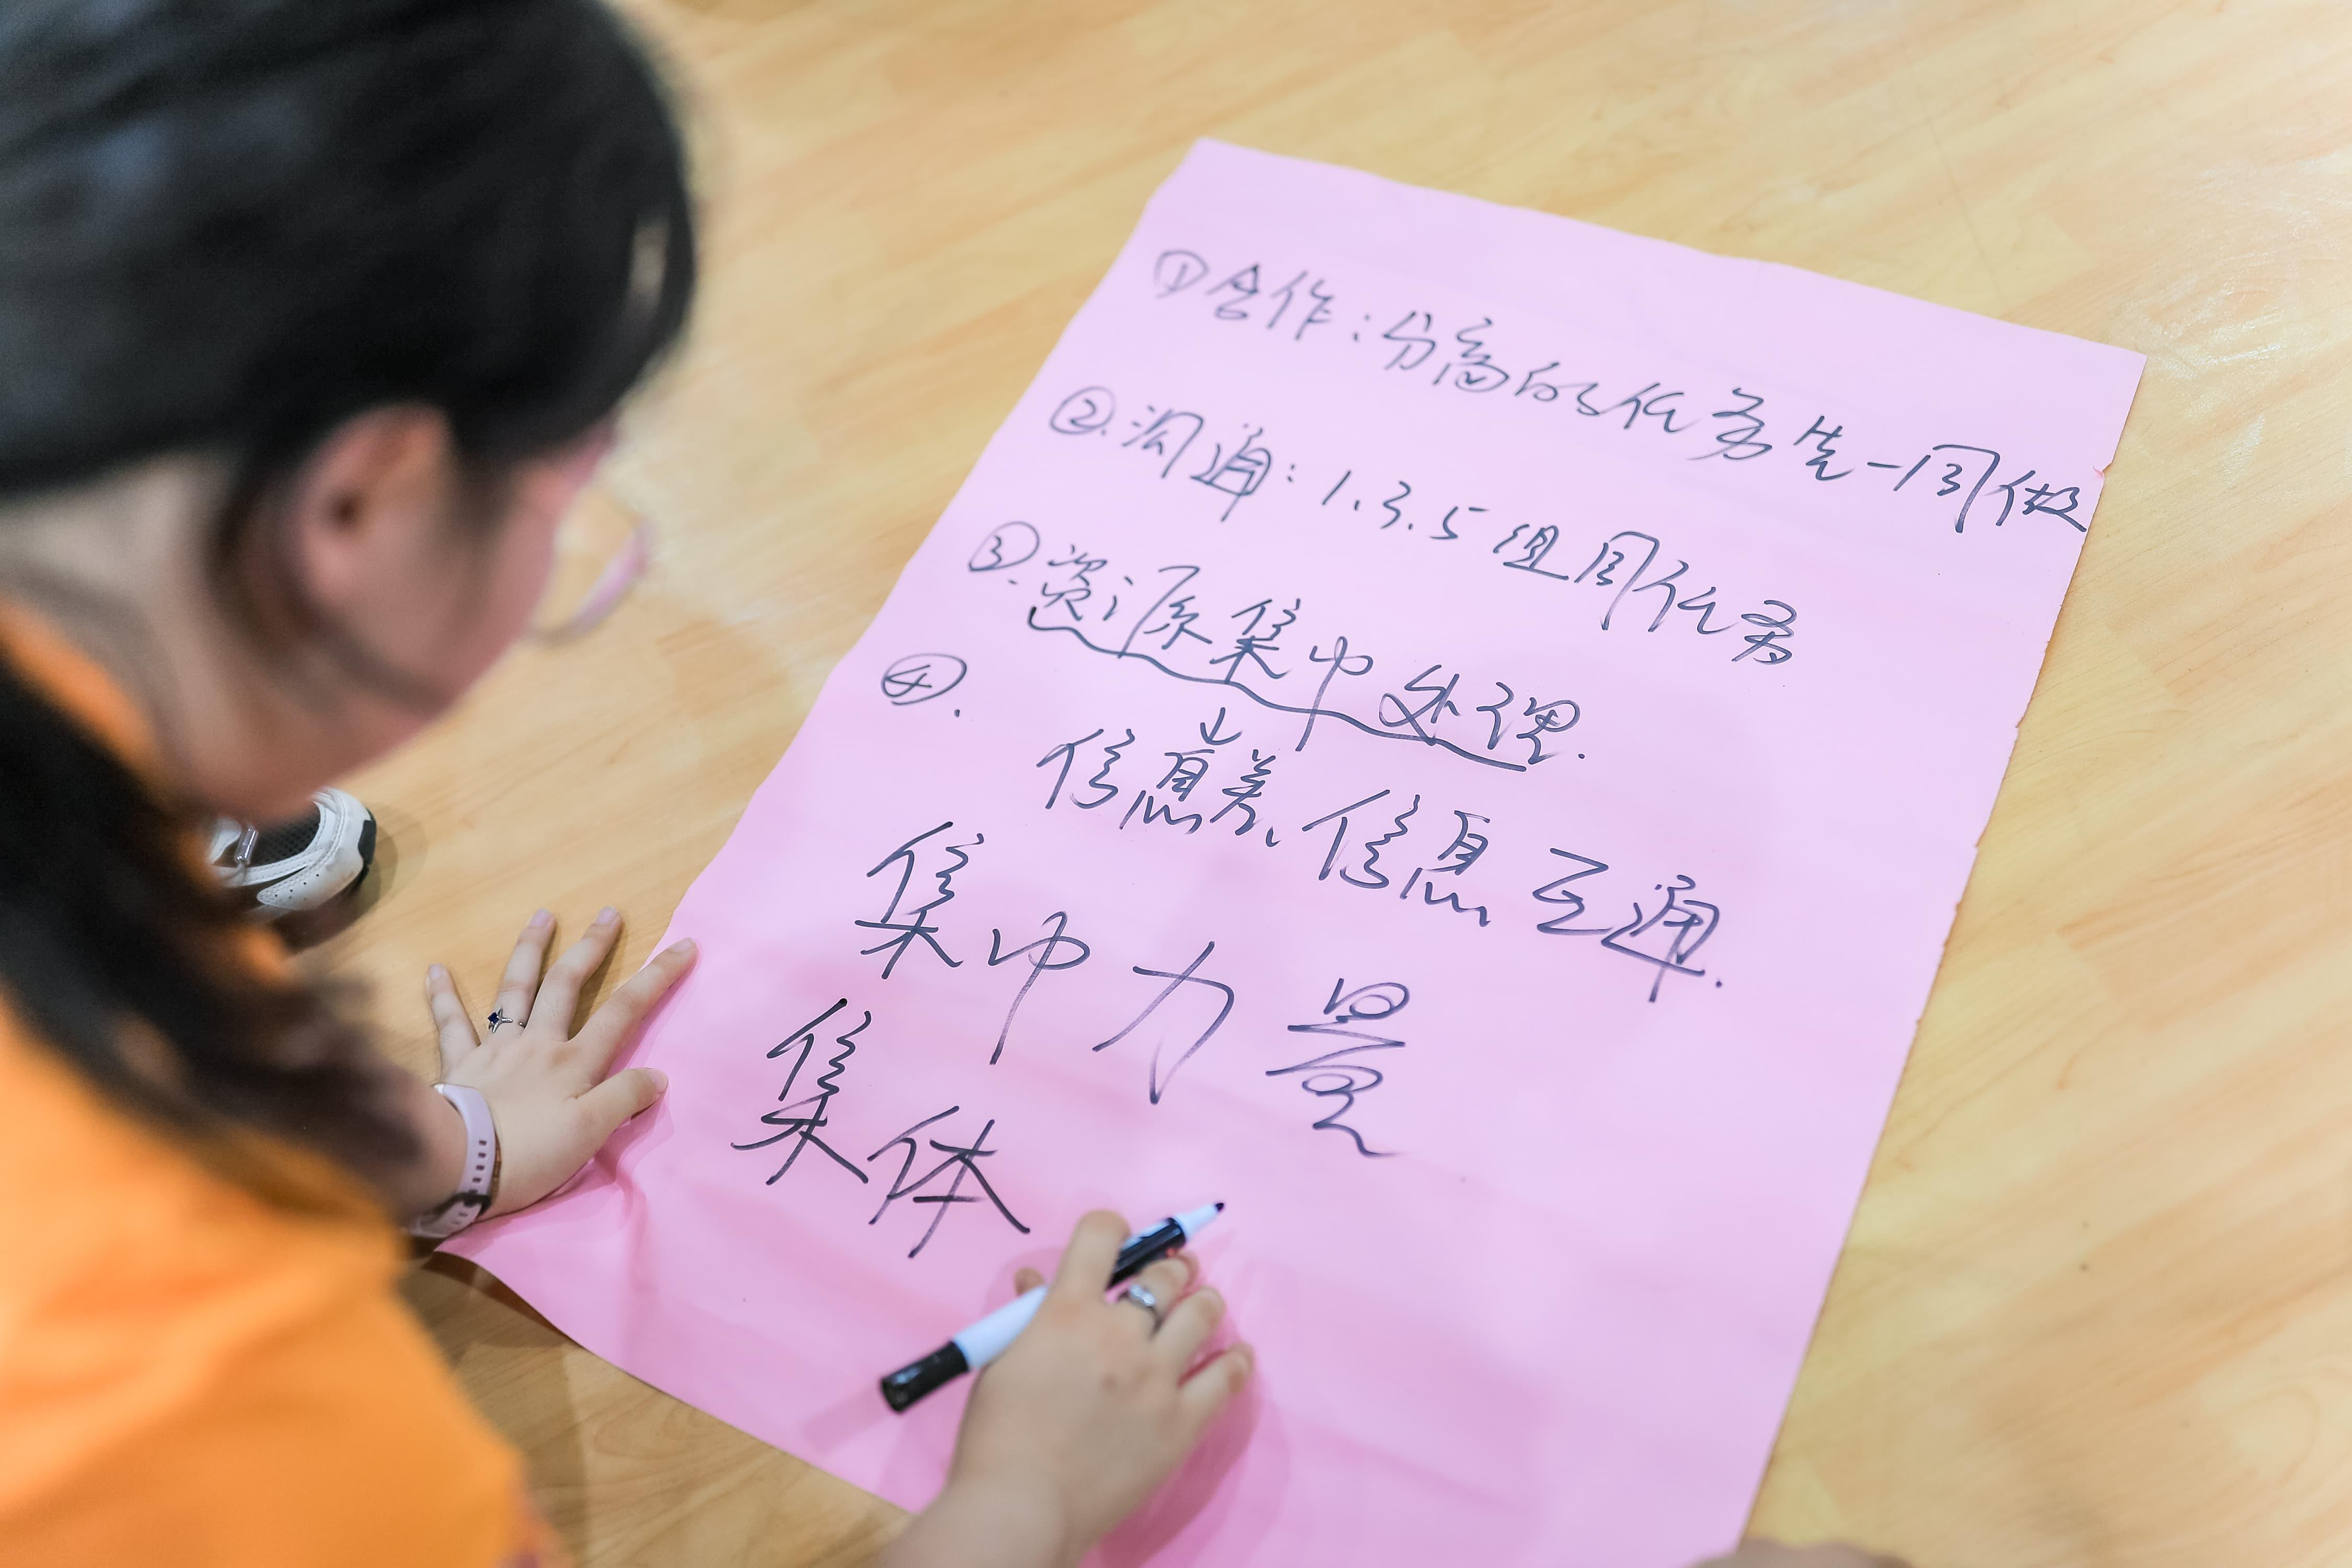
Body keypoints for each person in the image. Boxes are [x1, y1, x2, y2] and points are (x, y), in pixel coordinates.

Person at [0, 4, 1908, 1567]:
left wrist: (454, 1155)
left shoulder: (84, 800)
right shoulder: (180, 1402)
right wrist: (1018, 1509)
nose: (576, 570)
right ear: (360, 504)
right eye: (570, 505)